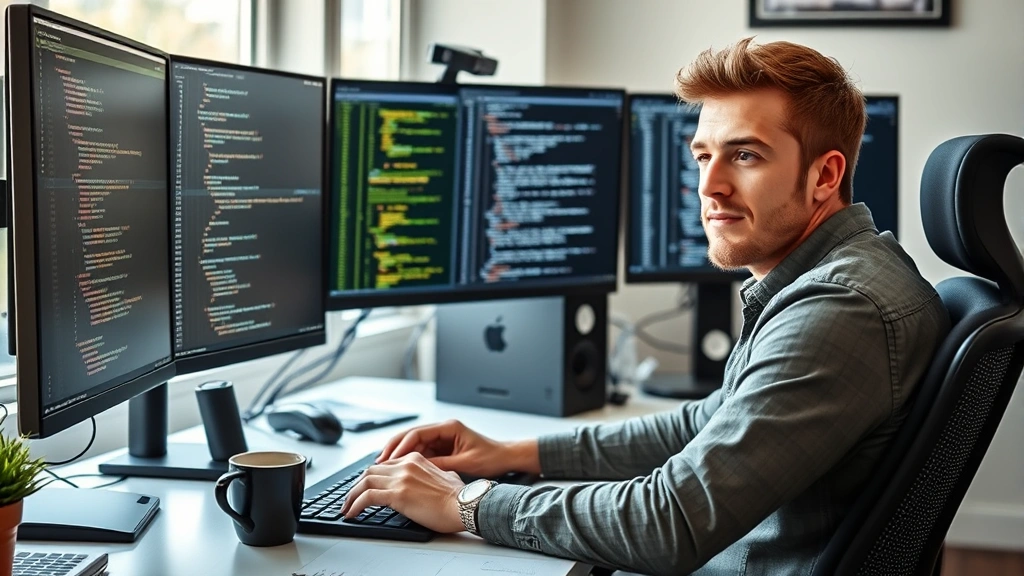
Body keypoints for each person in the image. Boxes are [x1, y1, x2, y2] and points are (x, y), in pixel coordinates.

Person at [339, 37, 950, 576]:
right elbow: (705, 423)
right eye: (703, 156)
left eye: (745, 155)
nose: (709, 187)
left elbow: (670, 524)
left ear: (825, 175)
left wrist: (467, 505)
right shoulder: (838, 278)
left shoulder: (839, 309)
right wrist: (510, 454)